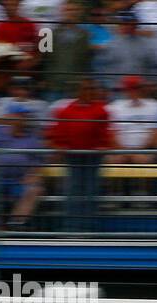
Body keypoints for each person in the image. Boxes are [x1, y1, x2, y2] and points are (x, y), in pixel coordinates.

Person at [48, 78, 112, 232]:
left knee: (91, 191)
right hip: (74, 157)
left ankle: (89, 228)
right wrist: (60, 146)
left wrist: (103, 146)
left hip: (93, 158)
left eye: (92, 89)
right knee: (73, 191)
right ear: (79, 91)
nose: (90, 92)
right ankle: (71, 228)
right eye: (86, 89)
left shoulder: (101, 110)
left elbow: (104, 134)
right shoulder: (66, 110)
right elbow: (58, 134)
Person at [0, 104, 45, 228]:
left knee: (34, 189)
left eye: (25, 116)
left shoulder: (33, 137)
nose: (25, 118)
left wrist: (33, 175)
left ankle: (15, 226)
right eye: (21, 115)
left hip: (21, 179)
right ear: (11, 117)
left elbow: (38, 162)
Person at [96, 11, 157, 95]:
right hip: (117, 93)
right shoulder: (110, 45)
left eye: (131, 23)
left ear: (136, 24)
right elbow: (102, 69)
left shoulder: (147, 45)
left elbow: (155, 67)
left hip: (141, 93)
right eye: (124, 23)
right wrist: (106, 87)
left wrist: (153, 83)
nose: (128, 26)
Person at [108, 76, 157, 164]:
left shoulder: (156, 106)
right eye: (130, 88)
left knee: (143, 160)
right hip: (121, 151)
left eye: (136, 88)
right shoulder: (114, 107)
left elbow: (156, 133)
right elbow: (112, 134)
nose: (133, 91)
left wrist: (140, 151)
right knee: (115, 160)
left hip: (147, 151)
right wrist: (126, 152)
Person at [41, 2, 92, 100]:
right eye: (68, 10)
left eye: (75, 10)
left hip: (75, 88)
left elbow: (86, 61)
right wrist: (43, 79)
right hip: (53, 87)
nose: (72, 13)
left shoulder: (86, 35)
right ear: (62, 12)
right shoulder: (47, 34)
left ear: (80, 12)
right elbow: (42, 59)